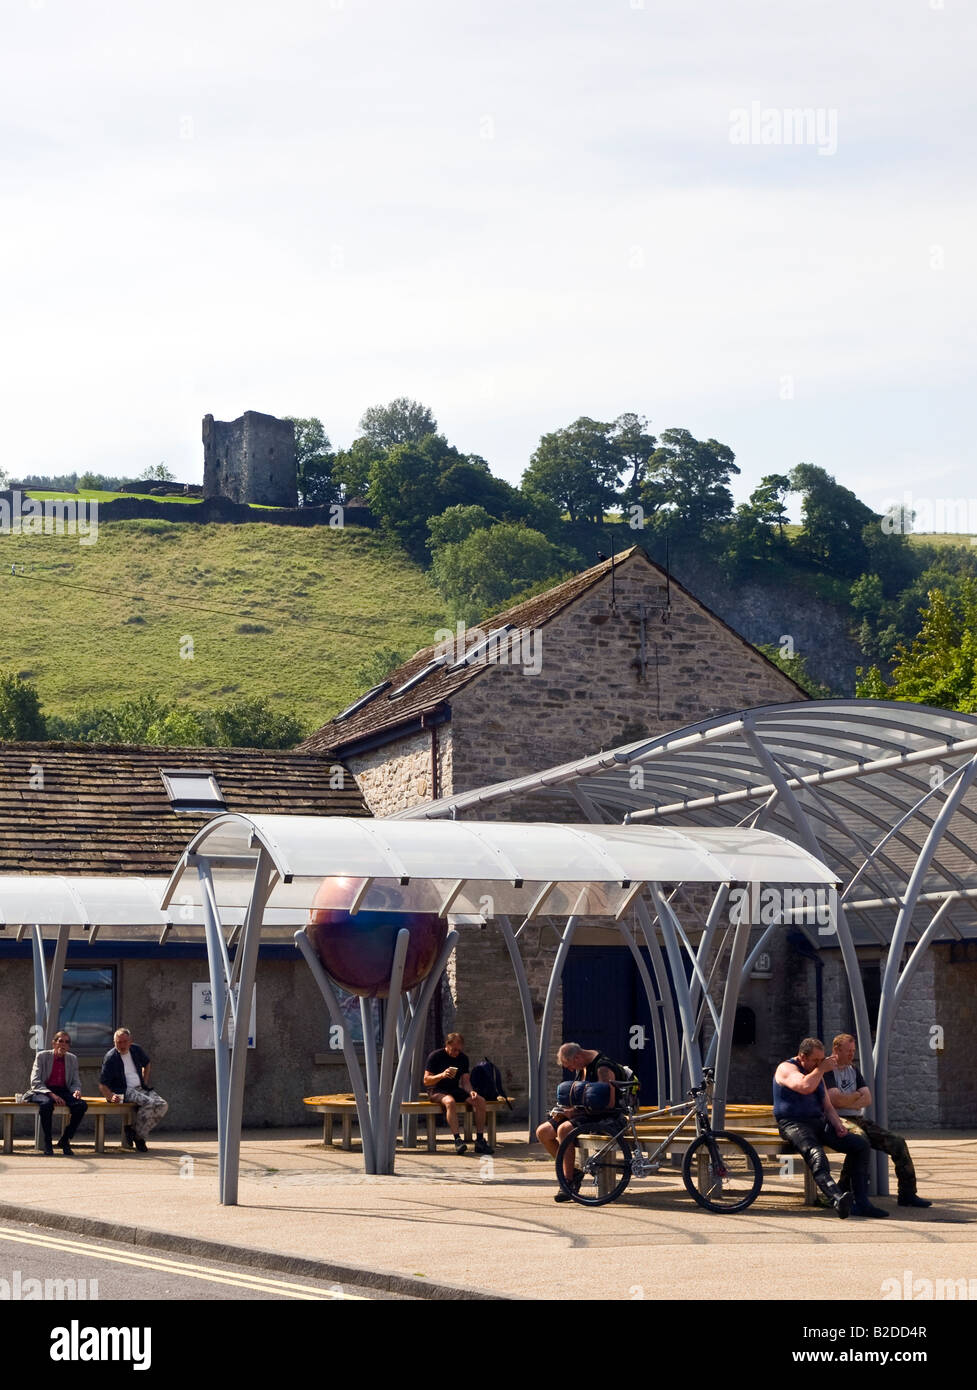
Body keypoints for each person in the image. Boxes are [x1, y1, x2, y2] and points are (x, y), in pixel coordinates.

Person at [774, 1036, 887, 1219]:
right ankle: (836, 1198)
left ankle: (862, 1202)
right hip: (794, 1123)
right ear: (802, 1056)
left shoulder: (817, 1073)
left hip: (818, 1121)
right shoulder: (787, 1068)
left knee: (860, 1145)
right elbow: (804, 1086)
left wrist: (837, 1124)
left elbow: (827, 1106)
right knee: (816, 1153)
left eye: (821, 1060)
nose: (819, 1064)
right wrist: (821, 1069)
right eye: (815, 1060)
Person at [824, 1033, 931, 1209]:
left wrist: (850, 1098)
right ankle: (845, 1188)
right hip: (838, 1119)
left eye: (853, 1050)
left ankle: (907, 1193)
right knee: (860, 1142)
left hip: (857, 1118)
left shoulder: (853, 1070)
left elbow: (867, 1099)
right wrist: (856, 1096)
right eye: (848, 1051)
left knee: (897, 1142)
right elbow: (835, 1100)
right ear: (836, 1050)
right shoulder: (828, 1070)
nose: (852, 1055)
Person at [536, 1041, 627, 1203]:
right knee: (542, 1132)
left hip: (603, 1117)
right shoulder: (582, 1066)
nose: (571, 1070)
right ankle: (574, 1170)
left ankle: (568, 1181)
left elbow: (609, 1104)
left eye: (570, 1065)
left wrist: (574, 1112)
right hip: (582, 1114)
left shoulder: (603, 1068)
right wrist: (563, 1112)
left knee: (564, 1130)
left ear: (577, 1057)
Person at [98, 1027, 168, 1152]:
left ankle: (135, 1131)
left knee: (162, 1105)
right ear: (114, 1042)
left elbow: (147, 1063)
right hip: (123, 1090)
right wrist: (110, 1096)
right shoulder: (110, 1057)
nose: (122, 1045)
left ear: (130, 1041)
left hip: (140, 1088)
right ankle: (140, 1138)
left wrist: (144, 1081)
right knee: (149, 1103)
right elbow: (103, 1084)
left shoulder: (136, 1049)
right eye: (119, 1042)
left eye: (125, 1042)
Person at [424, 1032, 493, 1155]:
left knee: (480, 1101)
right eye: (454, 1049)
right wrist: (442, 1075)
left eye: (459, 1050)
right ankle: (457, 1140)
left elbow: (465, 1081)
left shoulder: (463, 1058)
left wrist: (471, 1091)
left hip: (454, 1088)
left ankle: (480, 1140)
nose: (456, 1053)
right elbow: (426, 1080)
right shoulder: (435, 1056)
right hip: (436, 1089)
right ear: (447, 1044)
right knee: (450, 1102)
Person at [25, 1030, 87, 1156]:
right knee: (46, 1105)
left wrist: (76, 1091)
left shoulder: (72, 1058)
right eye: (60, 1041)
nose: (63, 1045)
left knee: (81, 1105)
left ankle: (65, 1140)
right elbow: (35, 1081)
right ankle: (48, 1143)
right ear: (54, 1043)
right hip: (43, 1090)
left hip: (62, 1090)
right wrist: (52, 1095)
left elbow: (75, 1081)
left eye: (66, 1042)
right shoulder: (42, 1056)